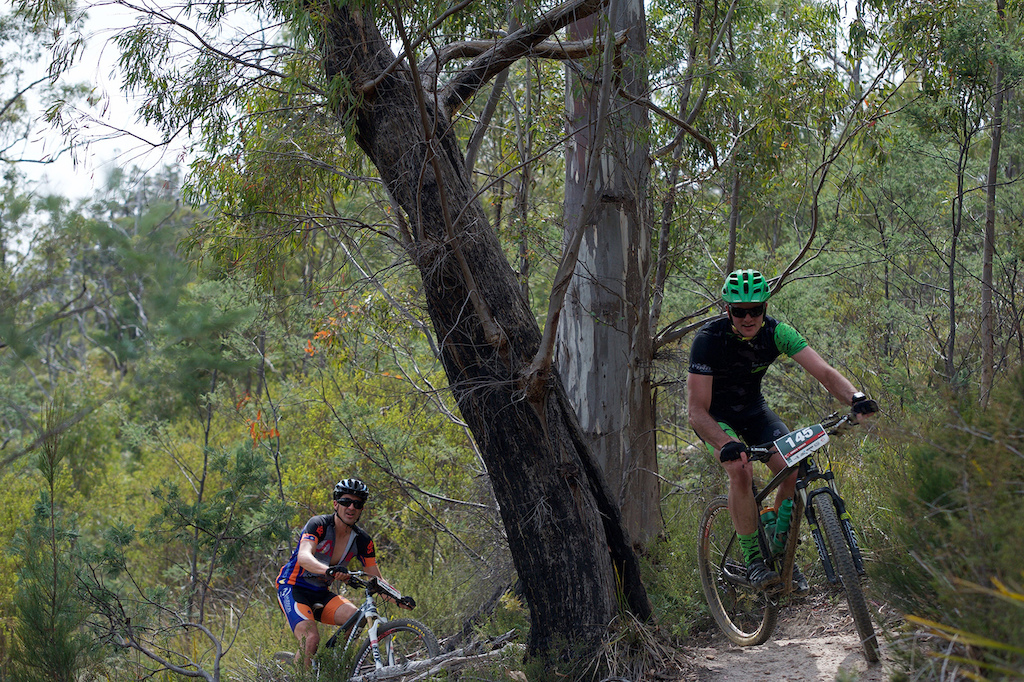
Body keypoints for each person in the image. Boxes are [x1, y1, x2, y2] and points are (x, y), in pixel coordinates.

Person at [687, 269, 878, 592]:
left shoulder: (778, 333)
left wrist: (855, 398)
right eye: (739, 311)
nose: (748, 318)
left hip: (755, 412)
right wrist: (724, 443)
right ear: (727, 309)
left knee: (795, 467)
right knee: (740, 469)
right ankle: (754, 562)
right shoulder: (708, 341)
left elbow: (825, 373)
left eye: (756, 310)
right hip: (716, 419)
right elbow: (696, 411)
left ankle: (781, 549)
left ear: (765, 307)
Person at [275, 477, 410, 666]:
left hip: (321, 593)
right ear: (335, 504)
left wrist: (398, 598)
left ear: (362, 508)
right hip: (292, 588)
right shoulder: (319, 524)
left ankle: (331, 666)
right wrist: (329, 571)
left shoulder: (363, 541)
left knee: (357, 618)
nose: (351, 507)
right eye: (346, 502)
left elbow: (376, 579)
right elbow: (304, 557)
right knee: (310, 640)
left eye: (357, 503)